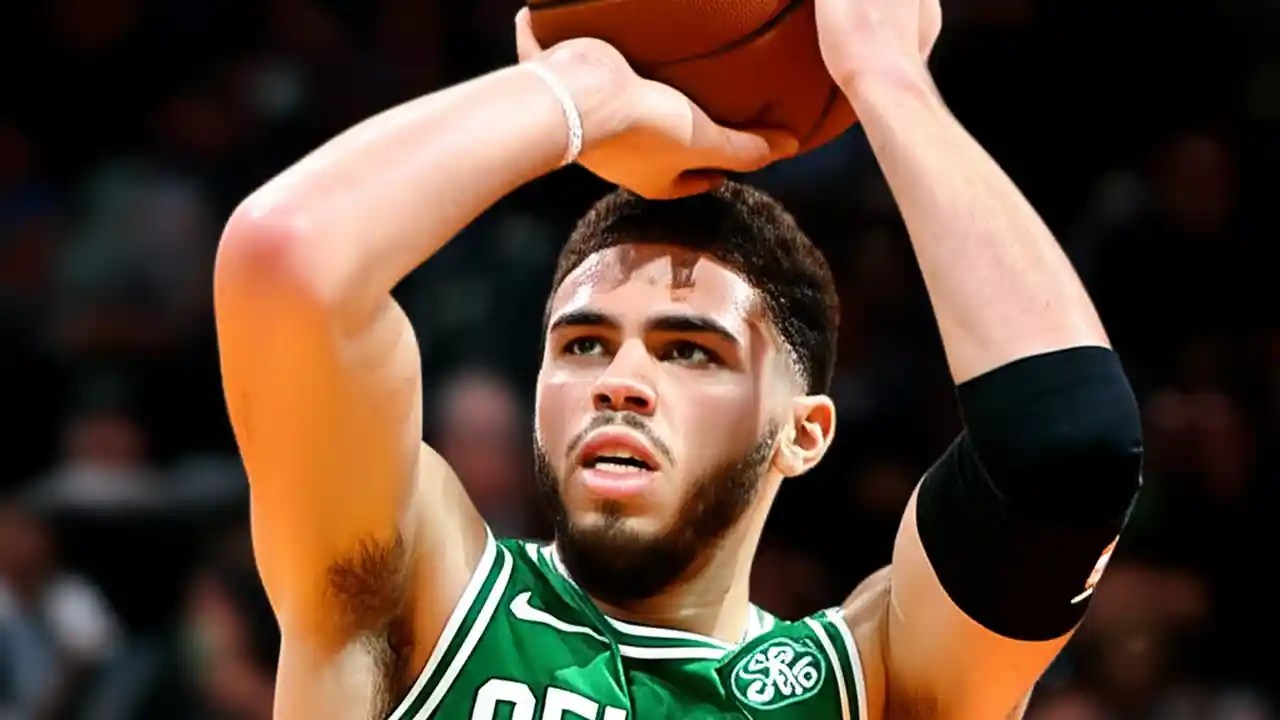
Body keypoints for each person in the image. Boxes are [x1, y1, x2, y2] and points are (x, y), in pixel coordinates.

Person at [212, 0, 1145, 717]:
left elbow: (1069, 451)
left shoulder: (876, 682)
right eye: (582, 344)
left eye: (691, 351)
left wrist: (886, 79)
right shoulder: (422, 601)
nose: (620, 381)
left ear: (804, 431)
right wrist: (584, 92)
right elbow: (288, 263)